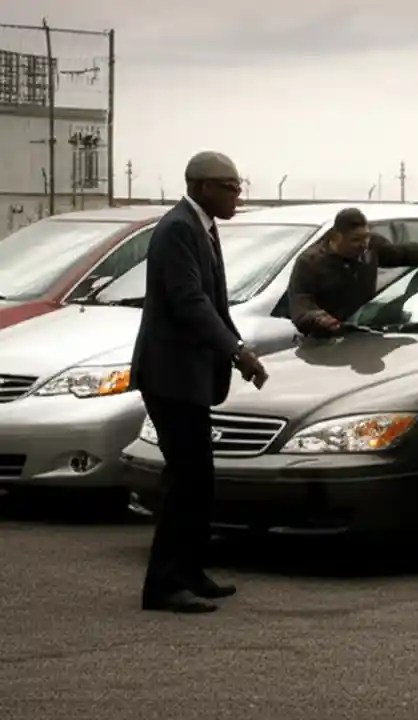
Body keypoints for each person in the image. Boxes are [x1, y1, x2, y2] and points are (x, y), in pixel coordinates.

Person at [130, 151, 269, 614]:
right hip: (170, 374)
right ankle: (164, 586)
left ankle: (190, 572)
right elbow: (189, 302)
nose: (238, 194)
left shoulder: (202, 226)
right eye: (230, 186)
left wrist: (236, 345)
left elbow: (215, 304)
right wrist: (236, 351)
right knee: (184, 479)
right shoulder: (177, 230)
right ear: (202, 186)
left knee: (199, 479)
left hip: (191, 374)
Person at [286, 207, 418, 336]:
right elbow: (301, 305)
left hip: (365, 334)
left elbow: (402, 253)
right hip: (325, 343)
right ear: (336, 237)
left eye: (366, 237)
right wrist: (320, 319)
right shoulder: (310, 263)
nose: (363, 245)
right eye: (355, 240)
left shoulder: (371, 247)